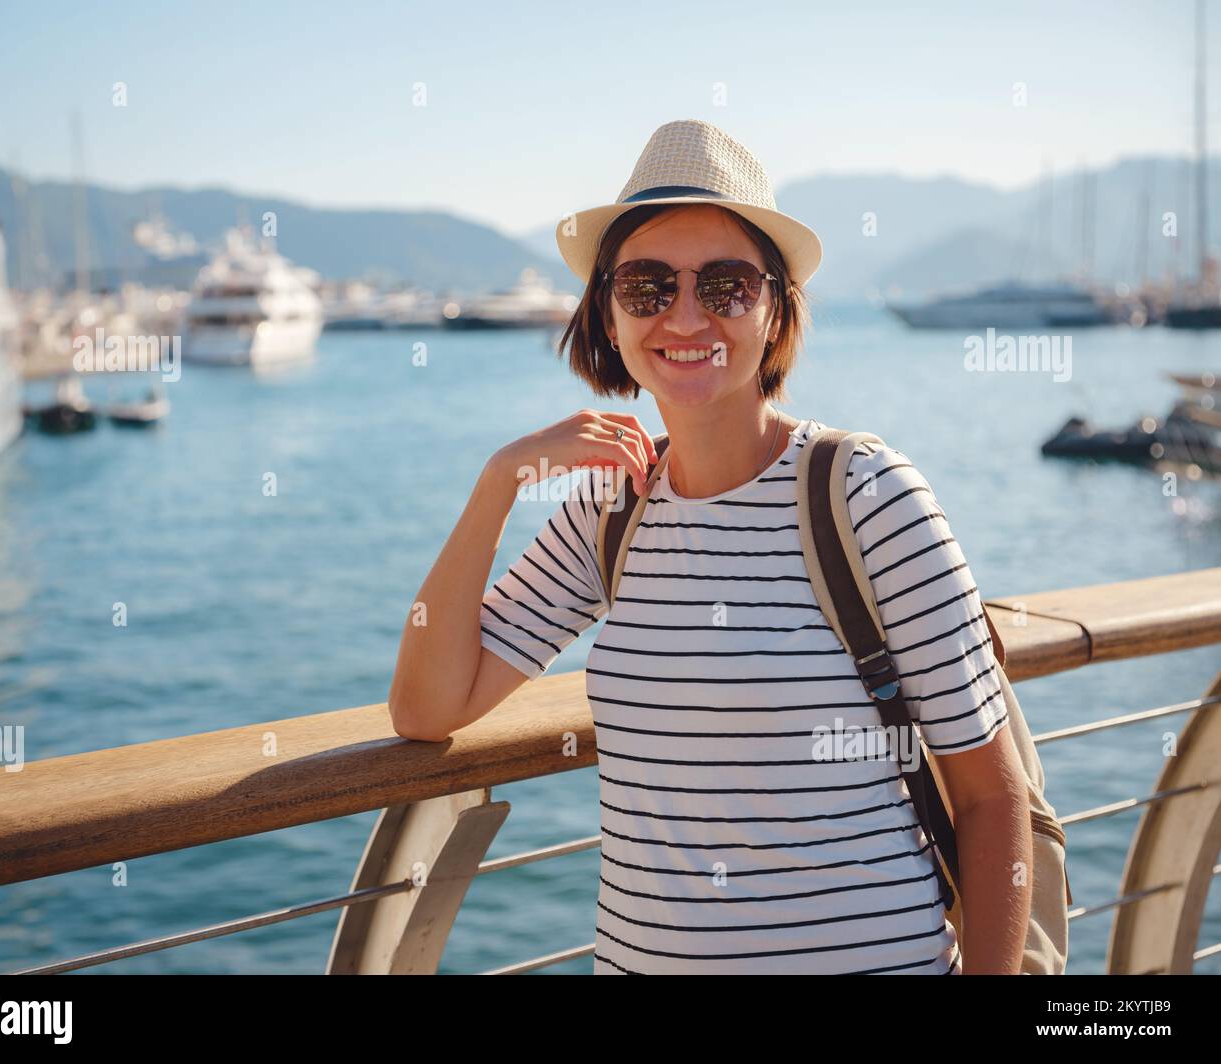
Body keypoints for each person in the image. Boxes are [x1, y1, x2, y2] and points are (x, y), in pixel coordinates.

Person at [388, 119, 1033, 974]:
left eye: (725, 285)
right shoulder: (611, 509)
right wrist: (498, 482)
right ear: (609, 316)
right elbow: (427, 709)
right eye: (648, 286)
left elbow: (991, 796)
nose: (686, 315)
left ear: (774, 313)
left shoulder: (865, 493)